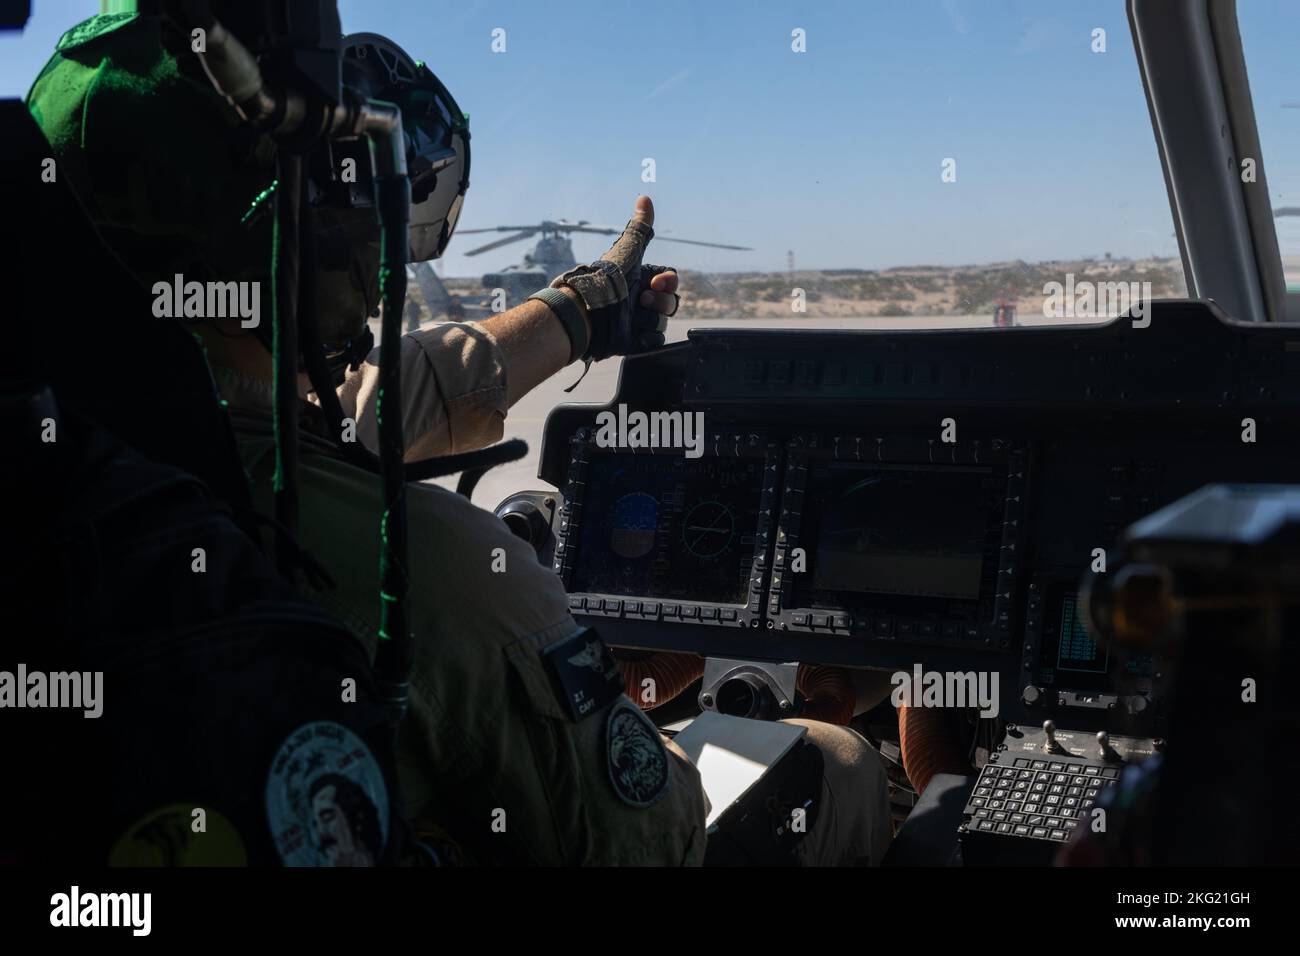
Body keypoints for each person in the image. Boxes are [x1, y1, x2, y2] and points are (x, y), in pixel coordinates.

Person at [28, 5, 892, 865]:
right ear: (302, 224)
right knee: (841, 759)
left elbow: (367, 406)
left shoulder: (87, 440)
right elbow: (648, 840)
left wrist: (578, 314)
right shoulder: (444, 581)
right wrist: (659, 716)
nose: (380, 265)